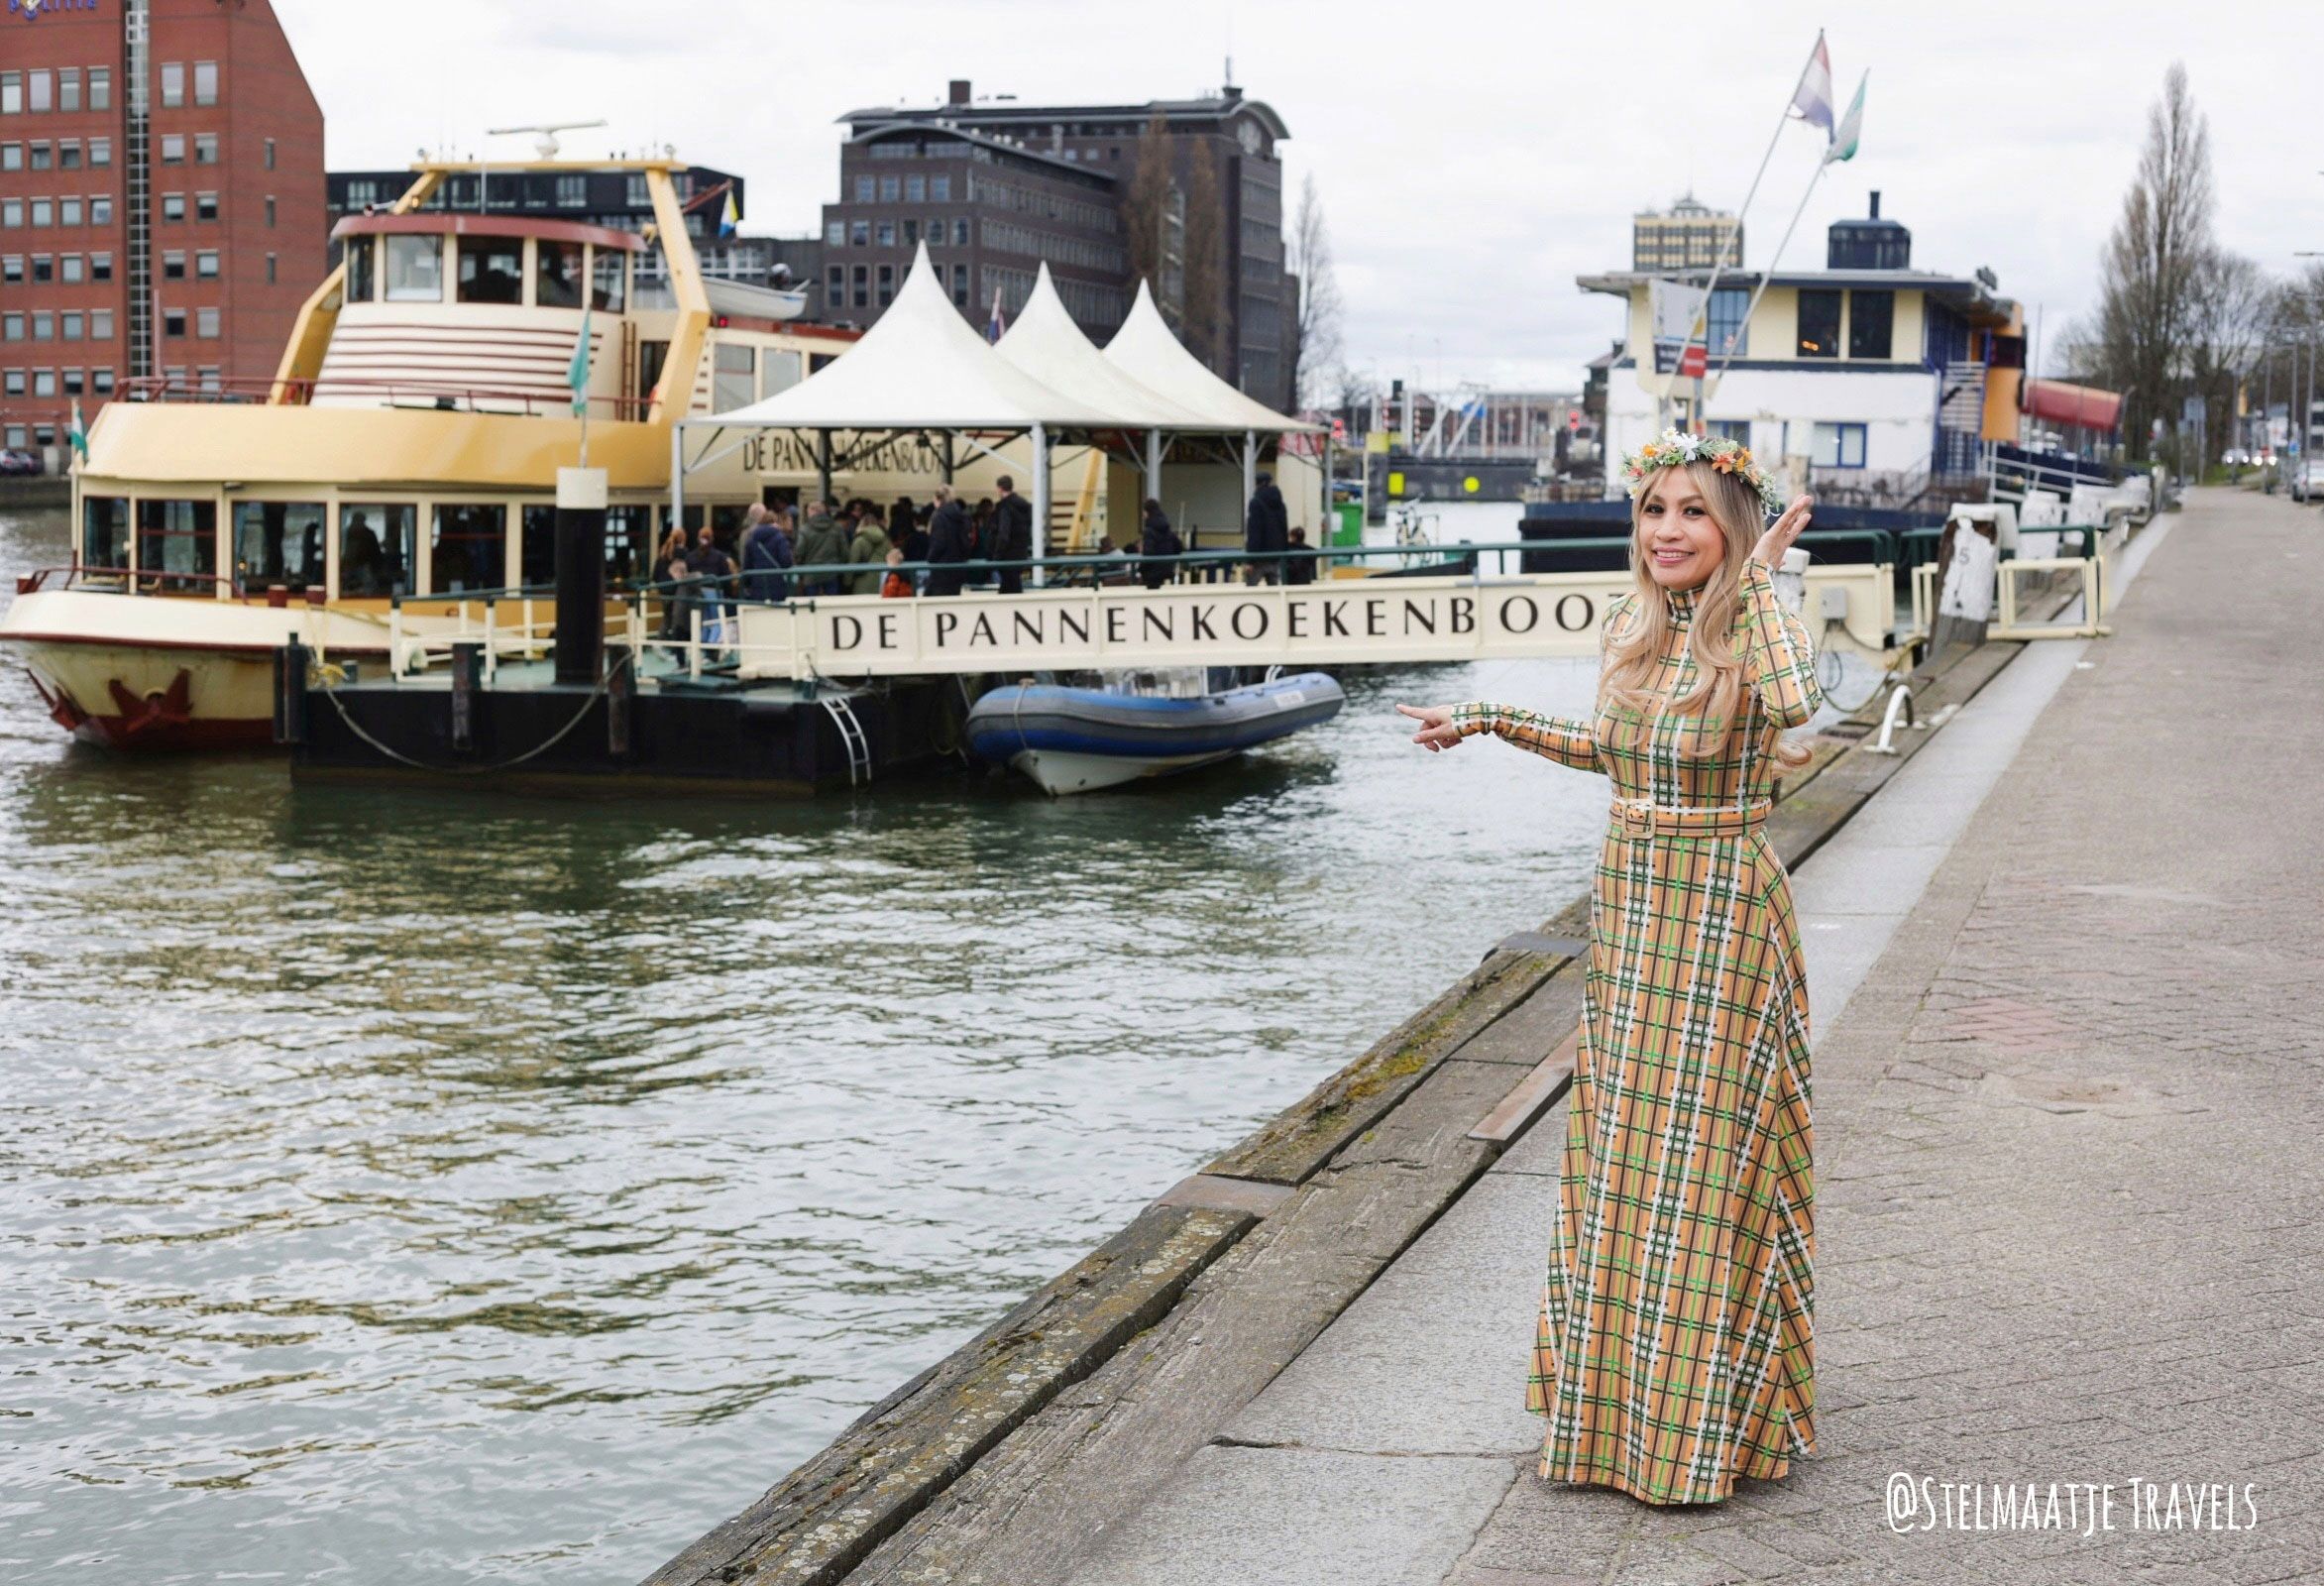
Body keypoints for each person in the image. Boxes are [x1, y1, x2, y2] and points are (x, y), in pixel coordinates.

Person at [1397, 432, 1821, 1508]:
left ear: (1729, 527)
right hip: (1633, 916)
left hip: (1722, 915)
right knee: (1623, 1168)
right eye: (1652, 510)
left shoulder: (1747, 631)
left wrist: (1759, 579)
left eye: (1692, 512)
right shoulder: (1640, 632)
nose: (1666, 531)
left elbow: (1797, 701)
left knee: (1700, 1176)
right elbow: (1610, 750)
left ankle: (1696, 1439)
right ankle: (1608, 1428)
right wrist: (1484, 717)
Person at [925, 485, 973, 596]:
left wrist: (930, 559)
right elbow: (966, 543)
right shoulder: (962, 516)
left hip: (941, 570)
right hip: (958, 569)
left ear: (938, 499)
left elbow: (938, 544)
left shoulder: (938, 517)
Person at [795, 499, 849, 596]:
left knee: (811, 606)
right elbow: (844, 551)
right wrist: (838, 566)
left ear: (812, 511)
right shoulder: (837, 528)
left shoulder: (804, 529)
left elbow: (799, 552)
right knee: (831, 605)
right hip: (831, 571)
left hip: (810, 573)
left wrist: (801, 570)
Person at [740, 503, 794, 603]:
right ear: (775, 522)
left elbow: (747, 565)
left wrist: (747, 585)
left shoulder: (751, 539)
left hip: (757, 585)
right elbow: (786, 561)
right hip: (778, 584)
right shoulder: (780, 538)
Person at [1244, 468, 1289, 584]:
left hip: (1259, 557)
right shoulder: (1280, 504)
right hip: (1276, 556)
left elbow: (1254, 532)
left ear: (1257, 484)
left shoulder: (1256, 503)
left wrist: (1250, 560)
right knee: (1275, 593)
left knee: (1250, 593)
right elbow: (1284, 529)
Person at [991, 474, 1034, 595]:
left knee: (1007, 588)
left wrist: (997, 555)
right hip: (1020, 552)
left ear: (999, 488)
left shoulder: (1005, 507)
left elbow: (1003, 534)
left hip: (1007, 555)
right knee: (1015, 585)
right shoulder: (1024, 506)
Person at [846, 504, 893, 596]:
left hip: (862, 582)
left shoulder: (859, 540)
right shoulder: (886, 540)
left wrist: (847, 583)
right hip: (882, 580)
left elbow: (853, 562)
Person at [1137, 498, 1181, 590]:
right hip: (1168, 572)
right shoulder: (1167, 529)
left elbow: (1148, 554)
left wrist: (1140, 569)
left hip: (1152, 577)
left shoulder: (1149, 531)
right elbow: (1179, 547)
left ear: (1146, 512)